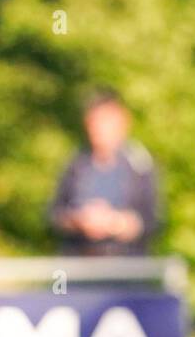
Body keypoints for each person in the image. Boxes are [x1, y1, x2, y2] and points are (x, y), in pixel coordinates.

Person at [49, 89, 162, 256]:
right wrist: (79, 221)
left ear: (123, 123)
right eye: (95, 123)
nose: (100, 130)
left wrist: (117, 223)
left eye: (106, 122)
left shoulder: (139, 165)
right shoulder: (76, 164)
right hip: (79, 265)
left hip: (126, 268)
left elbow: (152, 221)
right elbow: (54, 215)